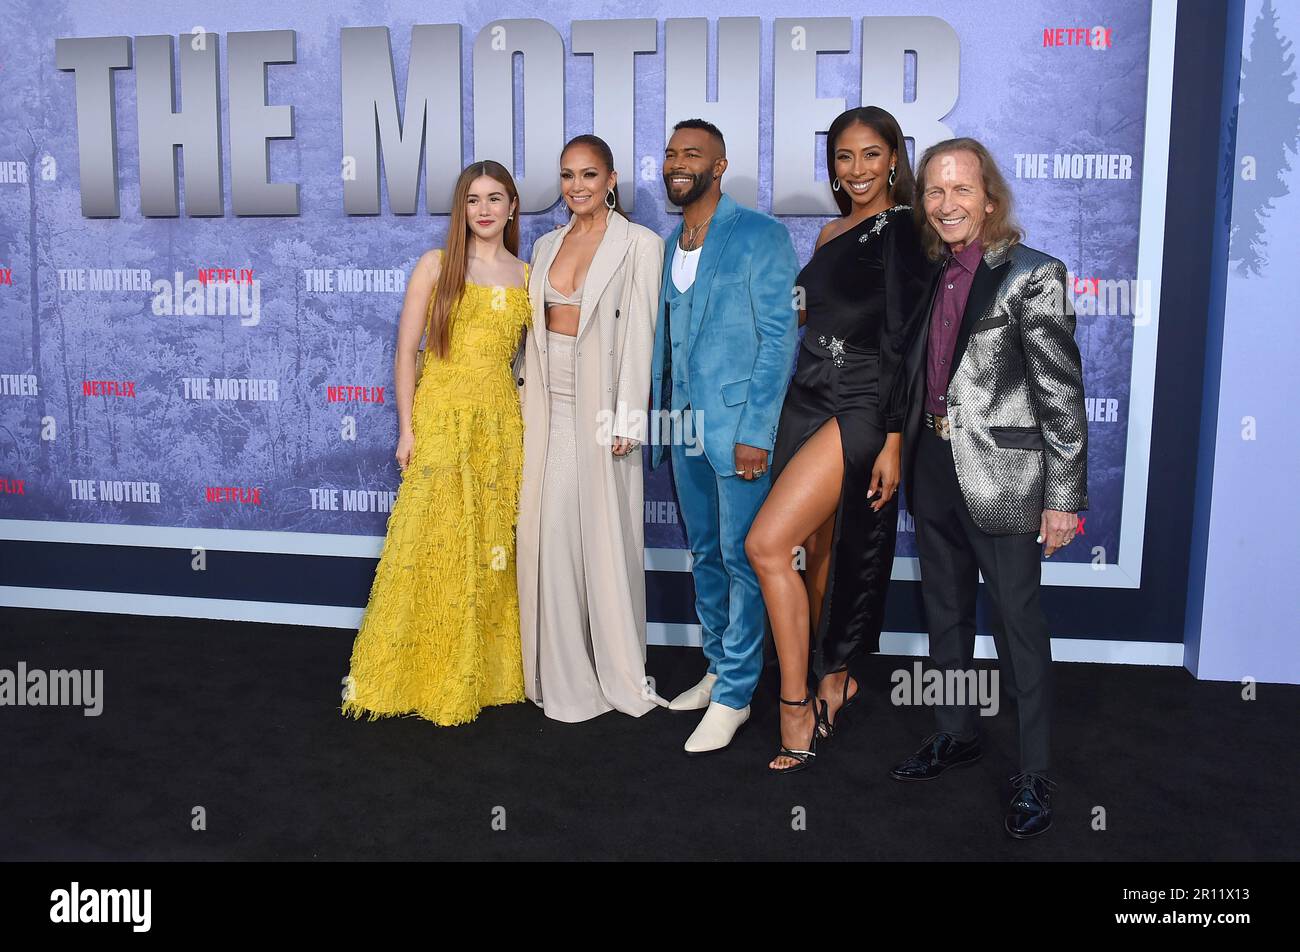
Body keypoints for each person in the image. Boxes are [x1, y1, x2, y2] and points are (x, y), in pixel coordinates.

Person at [888, 138, 1088, 838]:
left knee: (1017, 629)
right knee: (944, 615)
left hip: (1005, 478)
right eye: (935, 192)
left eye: (961, 191)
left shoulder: (1034, 275)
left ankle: (1034, 774)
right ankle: (957, 731)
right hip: (934, 470)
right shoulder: (930, 273)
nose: (947, 204)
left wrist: (1064, 498)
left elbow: (1061, 398)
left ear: (990, 199)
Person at [745, 107, 932, 773]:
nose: (857, 169)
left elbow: (904, 339)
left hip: (861, 404)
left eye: (870, 155)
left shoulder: (905, 228)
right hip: (808, 395)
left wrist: (893, 439)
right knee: (820, 550)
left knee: (768, 546)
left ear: (892, 160)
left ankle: (795, 704)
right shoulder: (829, 230)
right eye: (844, 157)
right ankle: (836, 678)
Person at [341, 160, 531, 726]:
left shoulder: (526, 275)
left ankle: (484, 675)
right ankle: (409, 673)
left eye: (496, 198)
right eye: (473, 200)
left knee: (491, 547)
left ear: (513, 206)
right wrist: (407, 427)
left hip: (501, 425)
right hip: (441, 418)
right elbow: (407, 352)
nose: (485, 210)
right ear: (461, 209)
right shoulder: (437, 265)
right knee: (431, 539)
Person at [649, 119, 799, 755]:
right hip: (683, 424)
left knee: (742, 558)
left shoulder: (761, 235)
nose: (679, 163)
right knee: (705, 553)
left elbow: (778, 337)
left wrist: (757, 432)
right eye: (671, 153)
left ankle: (737, 694)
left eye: (694, 154)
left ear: (720, 163)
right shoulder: (668, 242)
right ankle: (717, 668)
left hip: (740, 430)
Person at [517, 134, 667, 721]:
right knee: (547, 533)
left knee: (606, 538)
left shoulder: (640, 244)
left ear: (611, 179)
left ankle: (615, 672)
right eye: (567, 175)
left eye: (588, 175)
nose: (577, 186)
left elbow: (643, 333)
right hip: (546, 401)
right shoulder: (547, 242)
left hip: (602, 403)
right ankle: (559, 672)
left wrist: (630, 411)